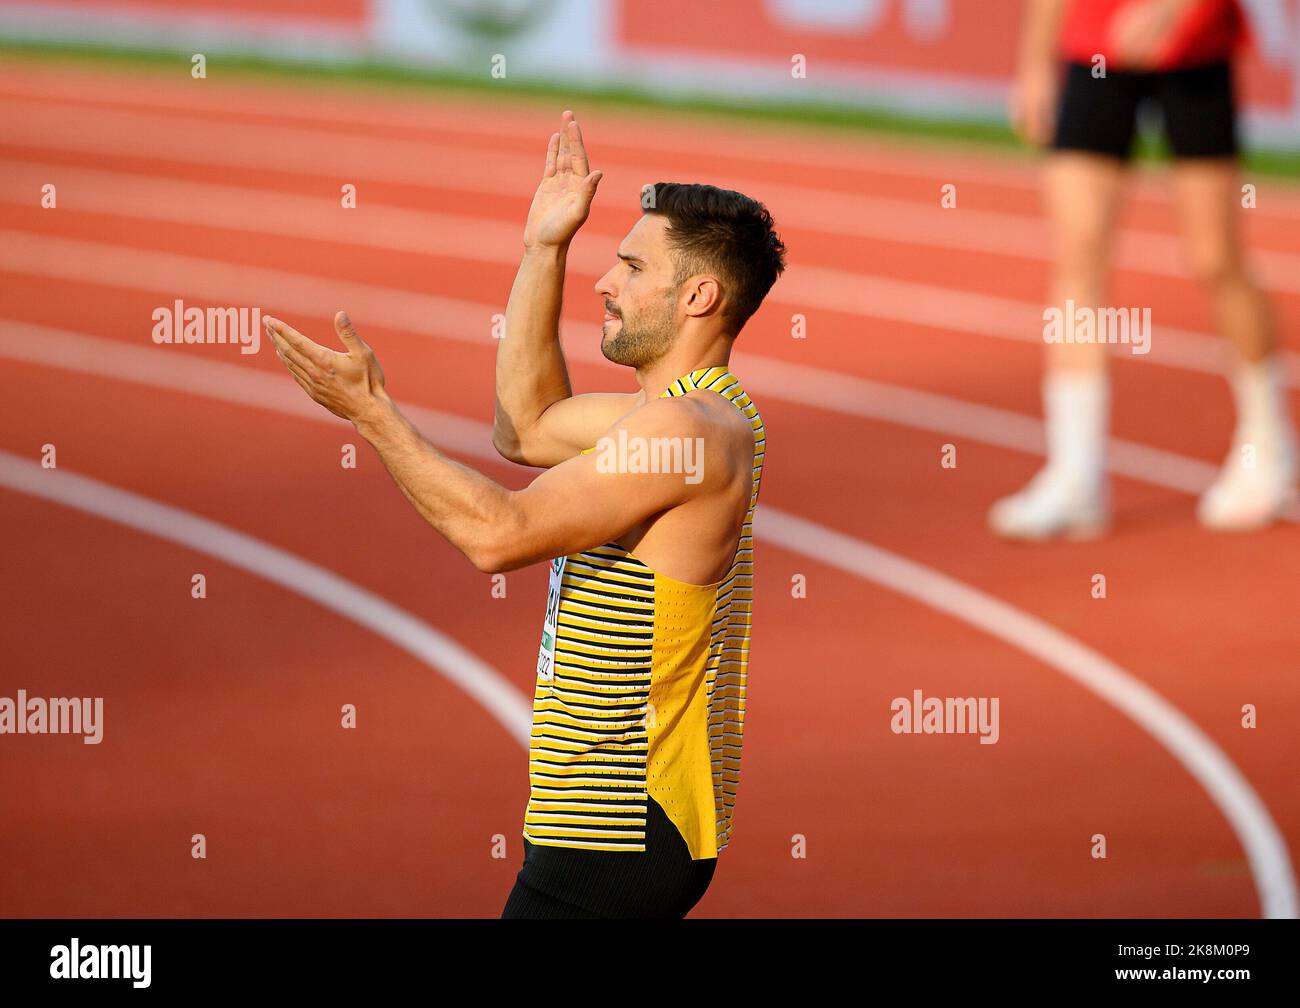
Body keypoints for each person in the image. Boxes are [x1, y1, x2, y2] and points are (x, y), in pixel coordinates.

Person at [264, 111, 785, 918]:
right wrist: (544, 245)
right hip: (614, 815)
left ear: (699, 296)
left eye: (631, 267)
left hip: (620, 823)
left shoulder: (688, 435)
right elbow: (528, 425)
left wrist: (373, 415)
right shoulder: (689, 416)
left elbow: (497, 536)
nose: (606, 283)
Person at [991, 0, 1297, 539]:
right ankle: (1076, 475)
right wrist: (1034, 62)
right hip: (1093, 49)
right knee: (1078, 255)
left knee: (1215, 258)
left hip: (1192, 51)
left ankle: (1267, 441)